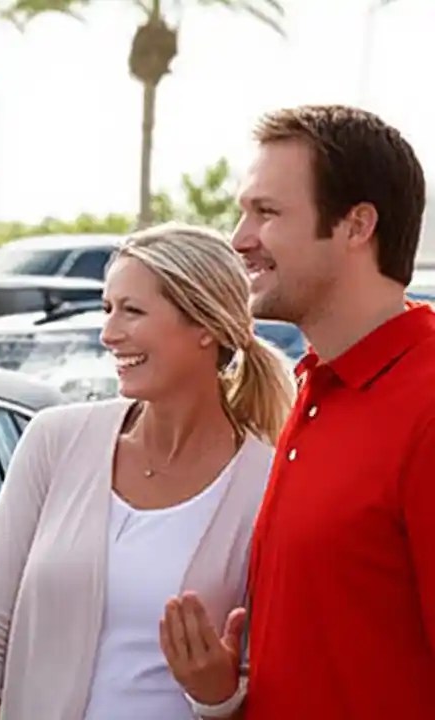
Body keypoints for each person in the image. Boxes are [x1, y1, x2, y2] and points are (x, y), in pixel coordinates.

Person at [0, 222, 296, 720]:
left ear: (206, 327)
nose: (108, 334)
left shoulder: (269, 484)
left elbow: (273, 683)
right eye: (108, 308)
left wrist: (217, 696)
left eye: (132, 311)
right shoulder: (53, 440)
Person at [160, 104, 435, 719]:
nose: (239, 238)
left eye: (268, 212)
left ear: (356, 225)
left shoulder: (426, 406)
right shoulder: (315, 390)